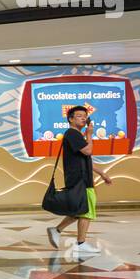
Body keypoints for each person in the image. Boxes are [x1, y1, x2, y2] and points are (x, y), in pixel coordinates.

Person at [47, 105, 114, 258]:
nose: (83, 118)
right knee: (86, 211)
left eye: (84, 115)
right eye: (79, 116)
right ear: (70, 119)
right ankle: (81, 243)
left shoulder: (76, 135)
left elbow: (85, 160)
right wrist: (89, 135)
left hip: (81, 178)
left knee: (80, 210)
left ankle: (56, 230)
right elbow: (89, 151)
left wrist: (102, 173)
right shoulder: (72, 133)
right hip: (80, 180)